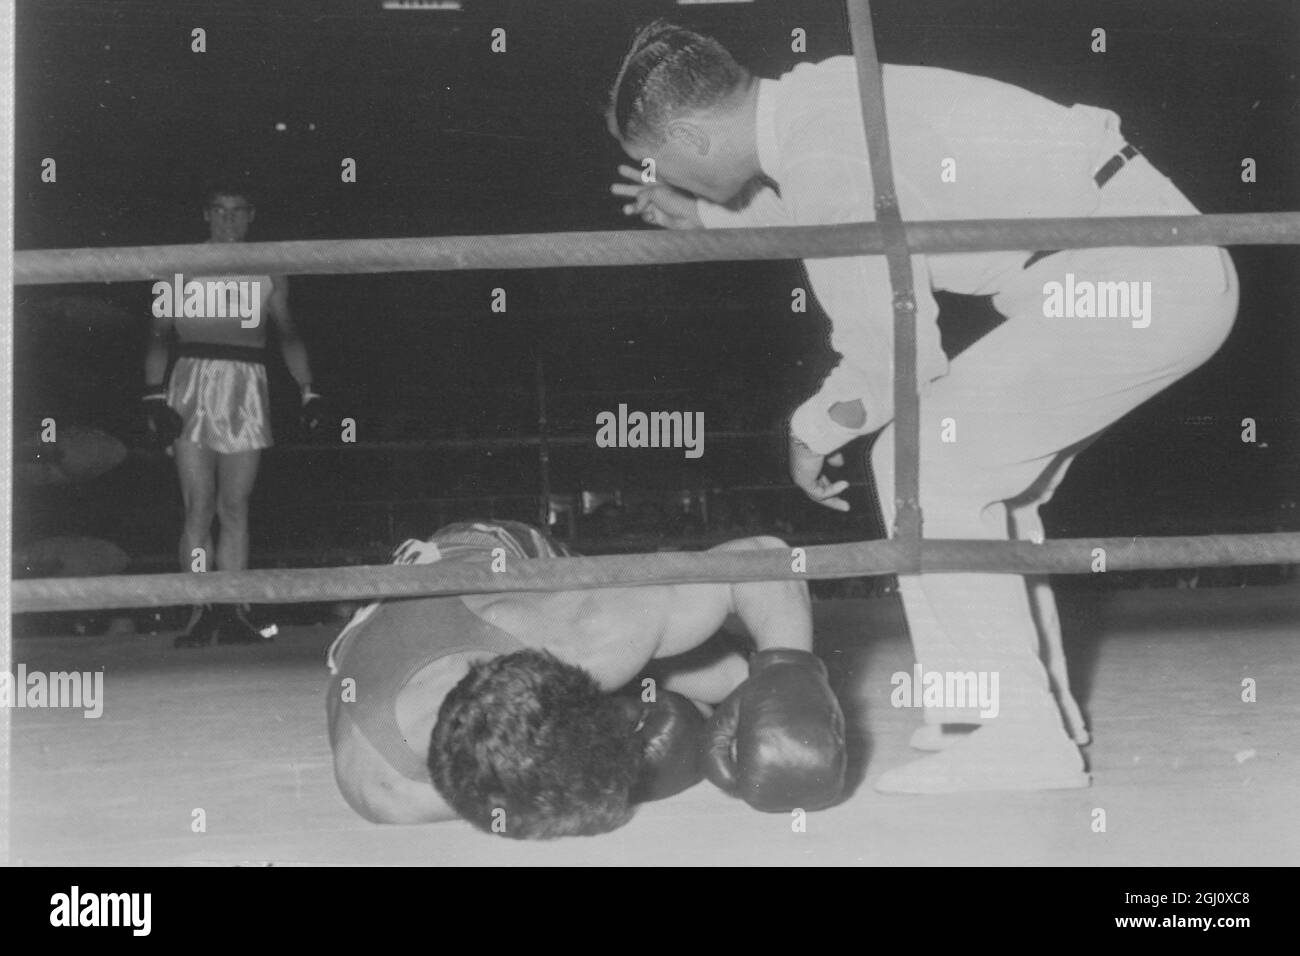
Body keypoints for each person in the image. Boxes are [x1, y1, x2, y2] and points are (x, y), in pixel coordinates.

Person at [606, 21, 1238, 793]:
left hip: (1133, 273)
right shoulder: (819, 103)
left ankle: (1021, 736)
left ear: (690, 136)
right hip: (1129, 260)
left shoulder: (824, 148)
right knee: (954, 468)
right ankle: (1000, 721)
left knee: (932, 460)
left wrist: (813, 427)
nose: (666, 177)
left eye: (664, 162)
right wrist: (709, 217)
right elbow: (834, 211)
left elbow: (896, 349)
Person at [325, 520, 846, 838]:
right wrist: (625, 782)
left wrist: (790, 673)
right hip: (393, 630)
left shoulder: (586, 633)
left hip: (493, 556)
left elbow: (760, 558)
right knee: (726, 688)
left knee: (741, 684)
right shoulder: (384, 787)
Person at [142, 177, 326, 647]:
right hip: (190, 381)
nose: (228, 218)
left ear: (251, 215)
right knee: (197, 506)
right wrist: (152, 395)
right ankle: (199, 611)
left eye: (237, 209)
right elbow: (160, 333)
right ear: (205, 214)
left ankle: (234, 609)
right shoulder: (178, 264)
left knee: (235, 506)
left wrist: (309, 390)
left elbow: (287, 331)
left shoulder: (268, 268)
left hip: (246, 382)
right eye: (219, 209)